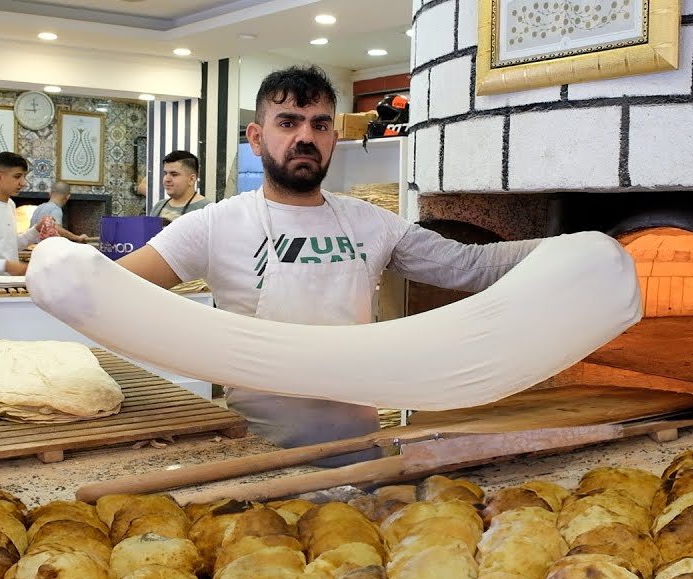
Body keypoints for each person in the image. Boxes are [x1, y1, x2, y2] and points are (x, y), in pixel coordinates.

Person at [117, 66, 546, 464]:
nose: (305, 136)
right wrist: (56, 264)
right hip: (258, 451)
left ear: (333, 137)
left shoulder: (368, 221)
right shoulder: (214, 224)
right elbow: (118, 286)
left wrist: (586, 248)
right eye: (287, 122)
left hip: (359, 448)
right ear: (256, 137)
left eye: (319, 124)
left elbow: (471, 266)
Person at [150, 150, 212, 225]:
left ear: (191, 179)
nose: (167, 179)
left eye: (174, 174)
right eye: (165, 173)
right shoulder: (159, 206)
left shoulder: (207, 209)